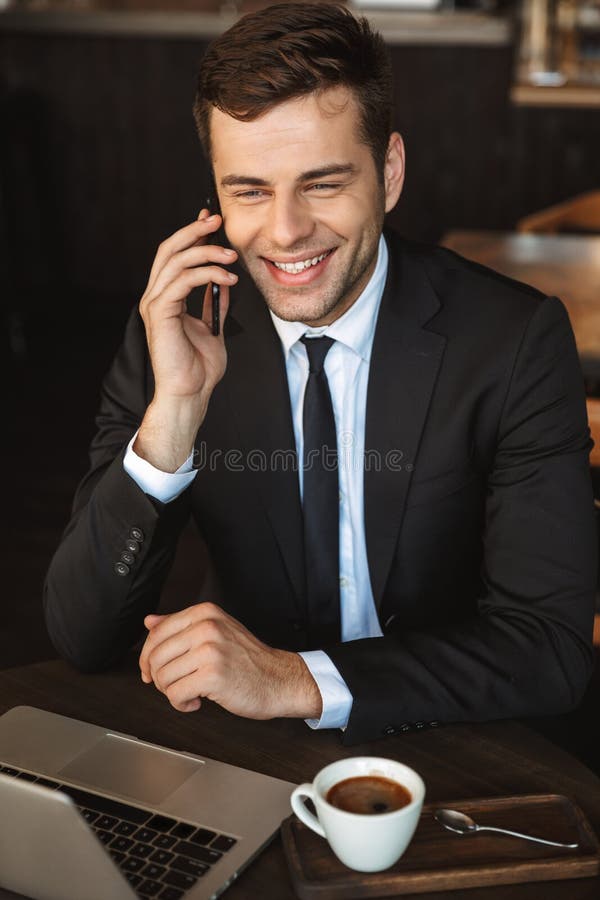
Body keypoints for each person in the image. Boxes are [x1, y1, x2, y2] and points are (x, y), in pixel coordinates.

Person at [44, 2, 597, 745]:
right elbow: (81, 635)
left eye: (323, 183)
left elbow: (550, 650)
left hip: (458, 743)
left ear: (389, 173)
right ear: (216, 196)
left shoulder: (513, 342)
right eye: (249, 191)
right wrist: (175, 408)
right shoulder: (176, 336)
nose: (284, 231)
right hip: (256, 751)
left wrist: (294, 681)